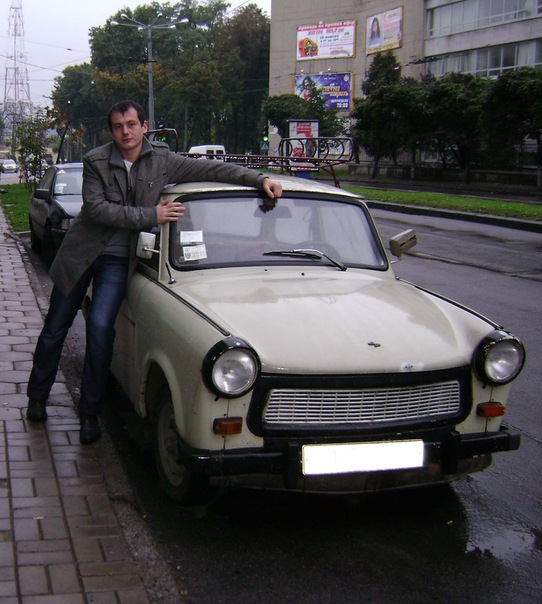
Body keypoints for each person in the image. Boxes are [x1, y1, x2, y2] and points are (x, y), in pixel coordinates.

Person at [26, 99, 282, 444]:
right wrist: (151, 216)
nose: (125, 132)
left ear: (144, 127)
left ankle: (89, 413)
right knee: (55, 327)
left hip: (118, 261)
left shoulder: (162, 160)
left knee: (100, 330)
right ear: (111, 131)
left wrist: (259, 178)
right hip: (81, 255)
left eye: (131, 124)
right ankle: (36, 397)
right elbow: (98, 210)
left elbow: (212, 169)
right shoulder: (95, 160)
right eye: (118, 127)